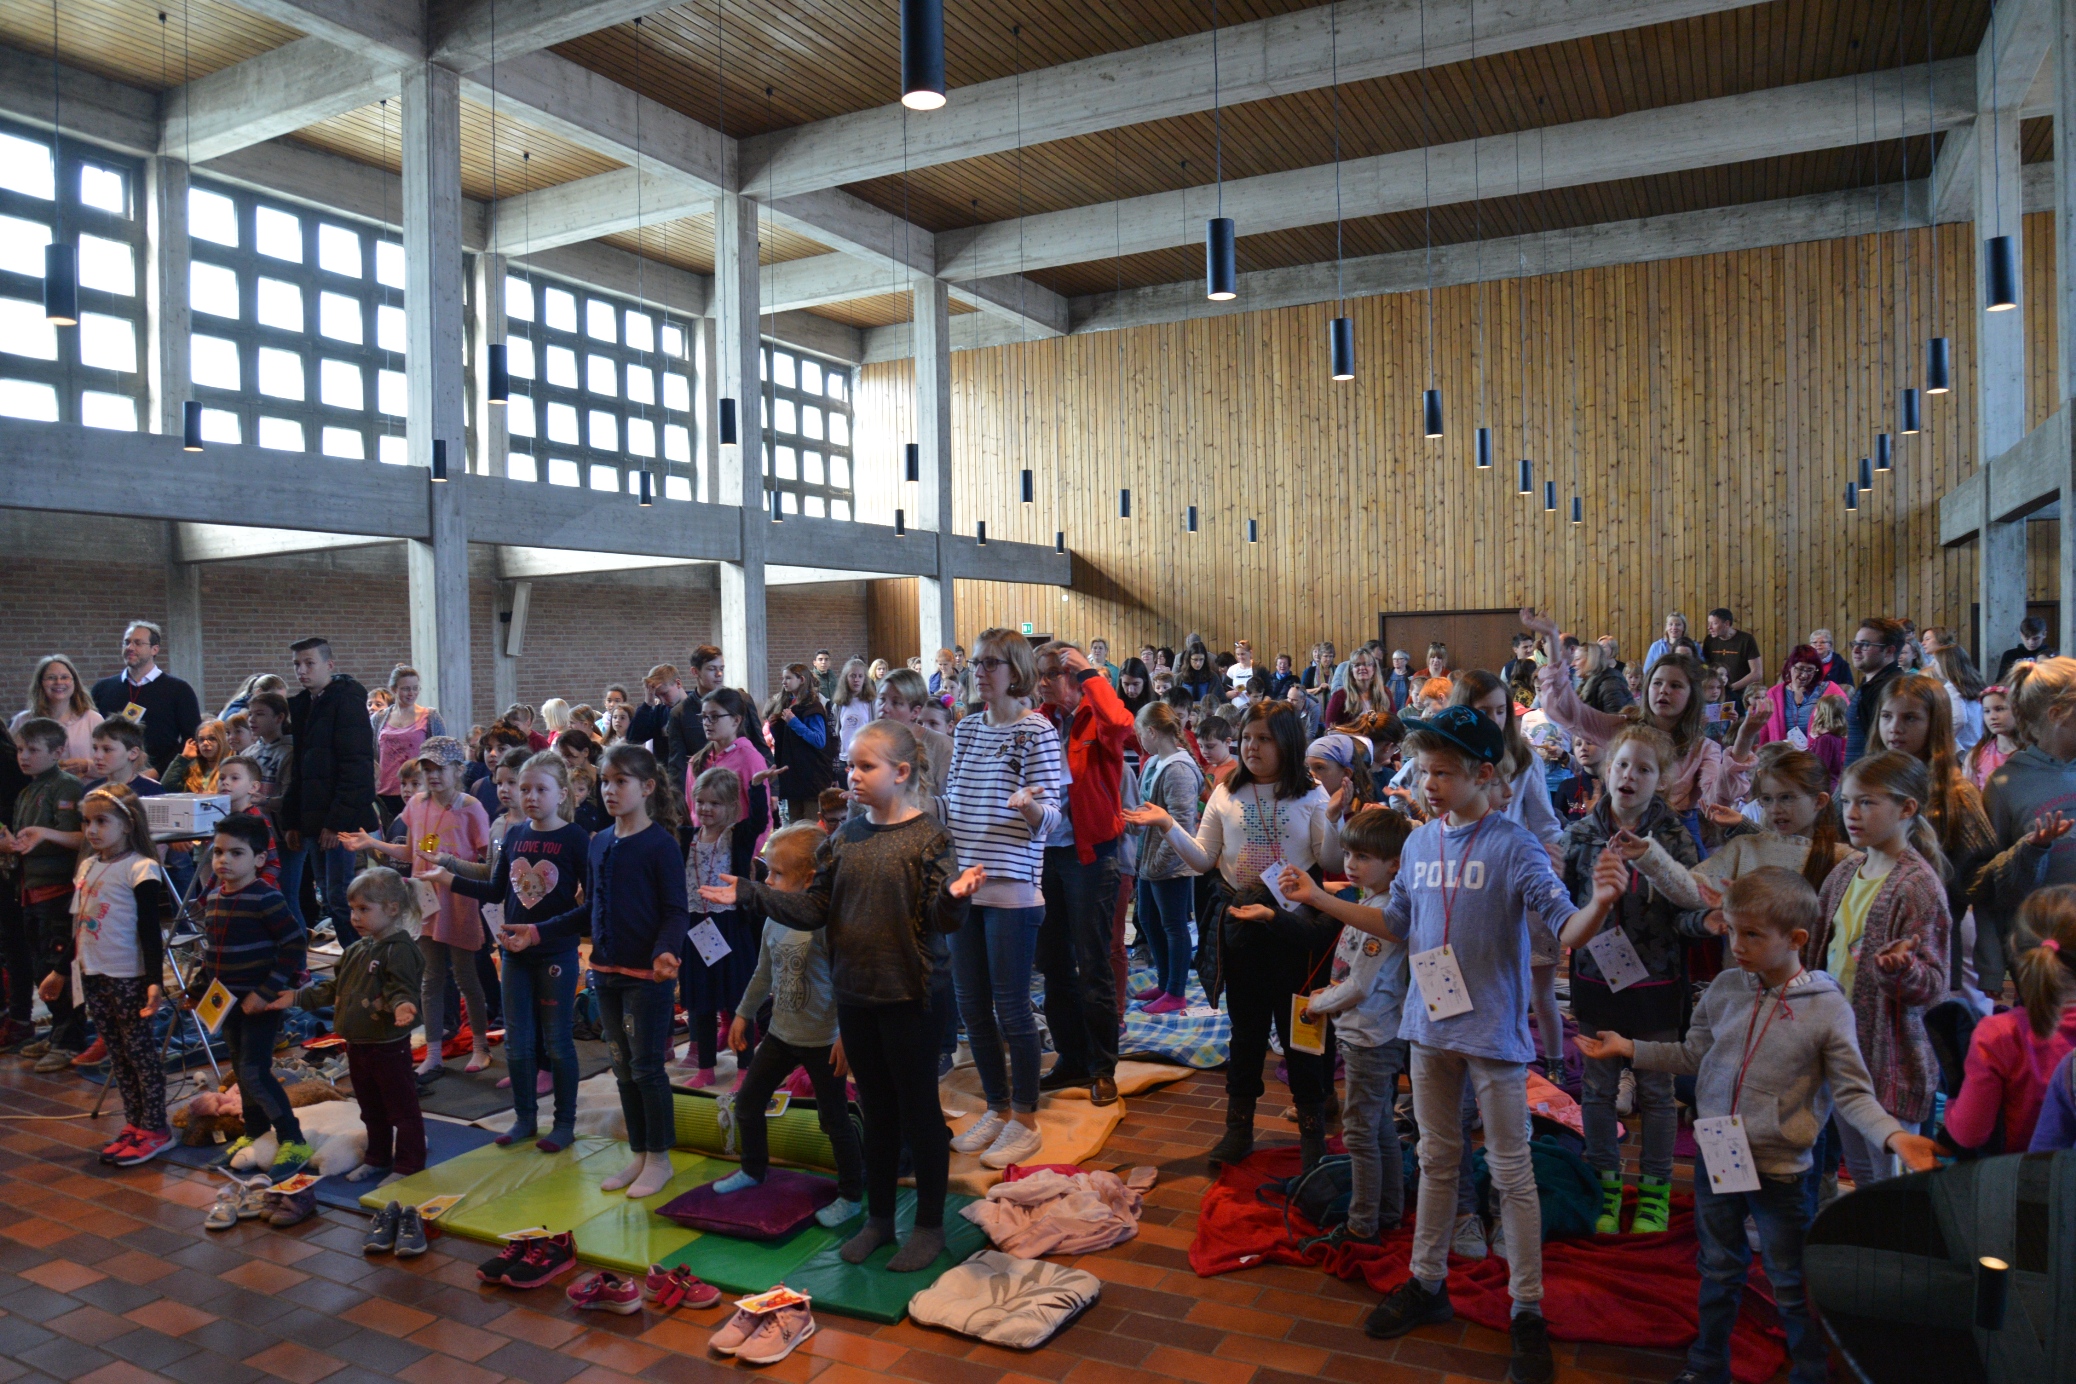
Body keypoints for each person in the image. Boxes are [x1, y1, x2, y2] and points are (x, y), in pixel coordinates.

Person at [1576, 869, 1938, 1384]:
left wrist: (1894, 1135)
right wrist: (1630, 1048)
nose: (1736, 946)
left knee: (1789, 1280)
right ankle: (1707, 1366)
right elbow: (1693, 1052)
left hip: (1782, 1173)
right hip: (1717, 1158)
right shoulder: (1725, 988)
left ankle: (1811, 1371)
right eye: (1730, 931)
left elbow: (1853, 1092)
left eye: (1752, 935)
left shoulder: (1828, 1008)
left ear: (1795, 940)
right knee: (1718, 1268)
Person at [1352, 706, 1627, 1381]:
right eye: (1422, 772)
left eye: (1443, 773)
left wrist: (1601, 903)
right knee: (1438, 1157)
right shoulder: (1417, 844)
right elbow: (1394, 921)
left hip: (1492, 1035)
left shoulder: (1513, 844)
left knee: (1511, 1171)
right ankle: (1427, 1280)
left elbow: (1565, 927)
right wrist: (1318, 899)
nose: (1429, 785)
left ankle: (1526, 1309)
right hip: (1428, 1026)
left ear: (1484, 772)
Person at [701, 720, 982, 1272]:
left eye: (866, 767)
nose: (852, 776)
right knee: (874, 1111)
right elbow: (812, 910)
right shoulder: (845, 839)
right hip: (856, 997)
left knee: (918, 1112)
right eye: (851, 765)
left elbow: (939, 919)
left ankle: (927, 1226)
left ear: (901, 773)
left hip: (911, 995)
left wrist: (954, 897)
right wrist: (750, 893)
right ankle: (878, 1220)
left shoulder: (929, 837)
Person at [1123, 701, 1347, 1169]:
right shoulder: (1225, 792)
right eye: (1247, 736)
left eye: (1264, 738)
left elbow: (1331, 863)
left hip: (1295, 930)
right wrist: (1166, 824)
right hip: (1242, 926)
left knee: (1301, 1033)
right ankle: (1237, 1129)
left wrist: (1336, 815)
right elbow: (1204, 860)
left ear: (1287, 743)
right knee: (1244, 1034)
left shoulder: (1308, 798)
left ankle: (1312, 1135)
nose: (1251, 746)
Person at [1560, 725, 1700, 1235]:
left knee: (1658, 1093)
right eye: (1622, 764)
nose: (1630, 775)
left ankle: (1656, 1189)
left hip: (1658, 987)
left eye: (1644, 769)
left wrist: (1705, 921)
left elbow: (1691, 903)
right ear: (1606, 768)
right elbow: (1561, 907)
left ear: (1660, 780)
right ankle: (1605, 1183)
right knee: (1597, 1090)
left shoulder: (1675, 835)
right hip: (1596, 981)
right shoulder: (1578, 833)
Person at [426, 751, 590, 1152]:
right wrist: (449, 878)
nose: (530, 796)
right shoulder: (515, 835)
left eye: (541, 789)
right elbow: (497, 890)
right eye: (524, 788)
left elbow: (589, 906)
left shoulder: (574, 838)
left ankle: (564, 1122)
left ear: (562, 793)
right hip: (514, 952)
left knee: (556, 1041)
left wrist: (543, 932)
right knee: (517, 1041)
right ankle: (524, 1118)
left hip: (555, 953)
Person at [941, 630, 1062, 1169]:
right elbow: (953, 803)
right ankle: (995, 1107)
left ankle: (1026, 1117)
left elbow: (1054, 818)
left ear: (1016, 671)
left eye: (991, 663)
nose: (980, 671)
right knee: (971, 1008)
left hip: (1012, 887)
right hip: (965, 887)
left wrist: (1030, 808)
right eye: (976, 663)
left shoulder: (1037, 732)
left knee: (1011, 1007)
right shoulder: (966, 729)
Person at [549, 744, 688, 1200]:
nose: (609, 790)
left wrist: (666, 951)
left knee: (647, 1067)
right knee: (621, 1065)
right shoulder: (600, 842)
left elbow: (674, 910)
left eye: (620, 782)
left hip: (647, 977)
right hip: (605, 972)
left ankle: (661, 1158)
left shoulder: (661, 846)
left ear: (647, 788)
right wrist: (537, 932)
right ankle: (640, 1152)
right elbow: (591, 907)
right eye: (605, 781)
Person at [1808, 752, 1952, 1187]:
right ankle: (1867, 1244)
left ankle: (1894, 1252)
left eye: (1867, 803)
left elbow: (1933, 986)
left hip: (1890, 1057)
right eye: (1847, 802)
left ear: (1907, 809)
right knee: (1861, 1166)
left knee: (1892, 1178)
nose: (1851, 814)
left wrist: (1901, 970)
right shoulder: (1847, 870)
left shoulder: (1918, 886)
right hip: (1843, 1047)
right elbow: (1820, 950)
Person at [714, 822, 865, 1228]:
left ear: (809, 880)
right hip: (781, 1034)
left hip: (822, 1040)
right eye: (766, 872)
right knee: (747, 1103)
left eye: (777, 875)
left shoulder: (824, 925)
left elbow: (848, 984)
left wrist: (844, 1036)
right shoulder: (772, 918)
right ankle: (753, 1169)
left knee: (833, 1119)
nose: (767, 881)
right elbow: (763, 973)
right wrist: (744, 1013)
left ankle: (852, 1193)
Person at [1279, 806, 1413, 1249]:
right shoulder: (1374, 902)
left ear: (1394, 863)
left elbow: (1359, 984)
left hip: (1370, 1036)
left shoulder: (1386, 913)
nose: (1351, 864)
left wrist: (1320, 1002)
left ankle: (1362, 1225)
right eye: (1349, 854)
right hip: (1371, 1032)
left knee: (1359, 1132)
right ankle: (1388, 1212)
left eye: (1363, 857)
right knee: (1378, 1130)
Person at [1523, 609, 1760, 841]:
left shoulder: (1702, 747)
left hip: (1677, 837)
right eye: (1657, 683)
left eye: (1676, 685)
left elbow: (1716, 799)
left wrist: (1745, 737)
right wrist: (1553, 640)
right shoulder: (1625, 730)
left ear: (1692, 696)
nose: (1664, 690)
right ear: (1647, 689)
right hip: (1621, 832)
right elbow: (1568, 711)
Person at [348, 736, 497, 1076]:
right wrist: (373, 842)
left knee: (465, 975)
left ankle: (480, 1044)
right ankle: (433, 1052)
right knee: (430, 977)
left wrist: (450, 865)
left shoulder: (470, 806)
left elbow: (485, 861)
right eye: (426, 769)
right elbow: (412, 852)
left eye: (439, 769)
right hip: (425, 900)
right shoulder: (417, 804)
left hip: (458, 898)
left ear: (457, 770)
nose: (432, 776)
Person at [185, 813, 312, 1181]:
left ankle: (293, 1138)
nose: (223, 861)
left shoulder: (266, 897)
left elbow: (293, 943)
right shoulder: (215, 898)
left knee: (255, 1072)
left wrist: (265, 991)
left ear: (259, 859)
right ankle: (254, 1133)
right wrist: (197, 992)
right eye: (218, 852)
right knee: (241, 1072)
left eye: (235, 853)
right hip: (228, 1003)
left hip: (260, 1002)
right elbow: (214, 955)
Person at [1033, 642, 1132, 1106]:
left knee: (1093, 962)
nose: (1044, 683)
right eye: (1040, 676)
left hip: (1091, 854)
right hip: (1046, 853)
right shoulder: (1038, 720)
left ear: (1072, 676)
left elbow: (1123, 725)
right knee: (1052, 963)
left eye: (1053, 674)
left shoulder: (1098, 715)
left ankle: (1102, 1066)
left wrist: (1092, 672)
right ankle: (1071, 1058)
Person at [1865, 673, 1998, 995]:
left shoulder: (1955, 793)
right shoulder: (1865, 780)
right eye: (1887, 716)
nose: (1895, 728)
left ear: (1934, 723)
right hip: (1867, 922)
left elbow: (1978, 870)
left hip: (1928, 932)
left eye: (1910, 718)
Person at [63, 785, 174, 1164]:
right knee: (117, 1053)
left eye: (101, 821)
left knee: (140, 1053)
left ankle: (156, 1127)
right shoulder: (88, 865)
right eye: (87, 821)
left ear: (127, 825)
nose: (91, 830)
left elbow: (149, 930)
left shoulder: (141, 868)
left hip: (127, 974)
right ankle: (135, 1122)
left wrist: (154, 981)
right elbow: (78, 923)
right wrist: (64, 972)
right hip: (94, 971)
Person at [293, 868, 426, 1183]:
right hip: (358, 1044)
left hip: (388, 1046)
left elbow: (401, 988)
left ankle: (409, 1164)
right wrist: (295, 998)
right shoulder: (356, 949)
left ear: (393, 908)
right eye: (352, 909)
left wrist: (404, 1006)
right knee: (370, 1107)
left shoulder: (400, 950)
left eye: (364, 909)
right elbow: (333, 988)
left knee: (401, 1109)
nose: (355, 916)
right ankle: (377, 1157)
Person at [1944, 885, 2076, 1154]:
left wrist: (1950, 1105)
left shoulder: (1999, 1034)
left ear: (2014, 947)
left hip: (2016, 1182)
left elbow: (1970, 1133)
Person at [1976, 657, 2076, 999]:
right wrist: (1990, 970)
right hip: (2041, 956)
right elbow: (1988, 888)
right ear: (2057, 715)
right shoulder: (2006, 785)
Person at [280, 638, 377, 942]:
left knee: (342, 898)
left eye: (309, 663)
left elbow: (356, 767)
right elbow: (302, 770)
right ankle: (354, 961)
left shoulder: (346, 701)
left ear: (329, 666)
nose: (302, 670)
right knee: (331, 897)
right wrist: (293, 821)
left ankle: (362, 964)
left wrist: (336, 822)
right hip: (315, 818)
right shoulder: (305, 705)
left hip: (340, 820)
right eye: (297, 664)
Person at [2, 719, 86, 1070]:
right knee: (40, 967)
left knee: (57, 966)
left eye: (33, 750)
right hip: (30, 888)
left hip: (57, 889)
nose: (23, 756)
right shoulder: (27, 791)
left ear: (57, 752)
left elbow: (79, 838)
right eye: (21, 749)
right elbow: (26, 838)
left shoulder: (66, 787)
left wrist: (43, 835)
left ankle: (70, 1040)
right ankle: (57, 1032)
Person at [677, 767, 759, 1086]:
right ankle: (706, 1069)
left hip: (730, 926)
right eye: (701, 802)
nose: (707, 809)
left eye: (716, 803)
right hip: (696, 925)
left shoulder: (734, 837)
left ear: (731, 806)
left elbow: (758, 823)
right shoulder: (686, 837)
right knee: (700, 1002)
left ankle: (745, 1067)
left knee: (740, 1000)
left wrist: (755, 788)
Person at [1132, 703, 1203, 1013]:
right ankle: (1164, 982)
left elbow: (1182, 822)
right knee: (1148, 919)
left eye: (1139, 733)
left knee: (1173, 925)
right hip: (1149, 861)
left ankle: (1175, 991)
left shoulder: (1179, 769)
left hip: (1169, 863)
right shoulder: (1153, 763)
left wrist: (1159, 864)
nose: (1138, 741)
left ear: (1151, 732)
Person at [89, 621, 201, 773]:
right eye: (126, 642)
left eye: (138, 643)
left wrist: (158, 771)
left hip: (159, 779)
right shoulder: (102, 688)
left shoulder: (179, 690)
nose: (130, 648)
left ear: (154, 649)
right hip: (109, 777)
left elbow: (192, 739)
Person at [688, 687, 777, 857]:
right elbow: (691, 810)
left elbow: (762, 818)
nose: (707, 722)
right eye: (704, 717)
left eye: (714, 717)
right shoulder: (697, 761)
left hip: (734, 852)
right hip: (701, 853)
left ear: (736, 720)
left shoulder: (749, 758)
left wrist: (744, 855)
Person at [373, 665, 446, 821]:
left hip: (419, 790)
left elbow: (441, 755)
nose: (411, 693)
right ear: (394, 689)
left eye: (415, 688)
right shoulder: (379, 718)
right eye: (406, 689)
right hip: (386, 790)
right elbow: (371, 754)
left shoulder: (430, 717)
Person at [767, 664, 836, 826]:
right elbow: (789, 741)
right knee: (793, 826)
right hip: (794, 776)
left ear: (802, 679)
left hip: (811, 778)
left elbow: (819, 740)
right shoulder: (789, 704)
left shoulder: (813, 707)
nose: (784, 682)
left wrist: (794, 722)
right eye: (783, 678)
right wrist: (775, 725)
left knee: (810, 826)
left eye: (788, 678)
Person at [11, 655, 102, 773]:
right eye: (51, 677)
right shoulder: (22, 721)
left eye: (65, 677)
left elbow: (111, 762)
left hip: (85, 789)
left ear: (75, 682)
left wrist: (86, 765)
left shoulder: (92, 719)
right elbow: (10, 762)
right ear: (40, 684)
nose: (58, 682)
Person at [874, 669, 952, 803]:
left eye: (896, 702)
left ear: (915, 712)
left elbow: (952, 802)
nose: (884, 708)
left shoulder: (942, 746)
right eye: (881, 699)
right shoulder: (869, 743)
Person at [1760, 646, 1852, 747]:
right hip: (1782, 758)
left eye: (1810, 670)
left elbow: (1847, 725)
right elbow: (1764, 733)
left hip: (1819, 758)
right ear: (1790, 666)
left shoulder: (1831, 691)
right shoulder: (1774, 694)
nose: (1804, 675)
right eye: (1800, 669)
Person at [1843, 618, 1906, 763]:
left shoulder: (1890, 688)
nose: (1856, 650)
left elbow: (1883, 747)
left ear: (1889, 651)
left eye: (1865, 645)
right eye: (1855, 644)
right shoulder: (1871, 682)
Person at [1922, 633, 1988, 754]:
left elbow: (1959, 719)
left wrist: (1941, 739)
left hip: (1962, 749)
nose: (1932, 666)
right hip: (1977, 743)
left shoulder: (1951, 688)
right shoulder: (1972, 683)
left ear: (1946, 665)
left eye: (1936, 662)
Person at [1701, 609, 1764, 696]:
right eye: (1709, 623)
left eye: (1714, 623)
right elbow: (1706, 668)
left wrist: (1730, 688)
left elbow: (1757, 673)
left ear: (1726, 624)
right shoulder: (1709, 640)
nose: (1709, 627)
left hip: (1740, 694)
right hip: (1715, 695)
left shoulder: (1746, 640)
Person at [1967, 684, 2019, 789]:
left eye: (1999, 709)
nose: (1992, 717)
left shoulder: (2031, 753)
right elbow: (1969, 795)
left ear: (2016, 710)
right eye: (1987, 711)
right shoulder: (1977, 754)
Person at [1326, 651, 1392, 726]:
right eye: (1357, 665)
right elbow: (1330, 728)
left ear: (1374, 669)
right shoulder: (1339, 696)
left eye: (1366, 664)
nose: (1362, 668)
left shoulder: (1385, 693)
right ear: (1351, 671)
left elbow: (1393, 725)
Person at [832, 658, 876, 764]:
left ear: (865, 679)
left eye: (860, 676)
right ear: (846, 678)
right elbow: (834, 733)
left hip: (866, 757)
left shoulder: (872, 703)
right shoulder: (838, 705)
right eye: (852, 676)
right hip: (844, 758)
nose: (856, 680)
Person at [1994, 615, 2056, 683]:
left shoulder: (2051, 655)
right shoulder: (2010, 655)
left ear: (2044, 634)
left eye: (2035, 638)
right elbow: (2000, 681)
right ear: (2021, 635)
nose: (2031, 642)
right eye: (2027, 638)